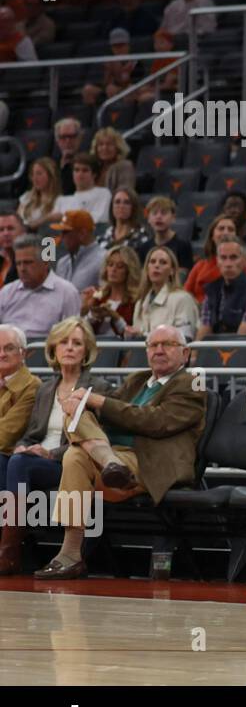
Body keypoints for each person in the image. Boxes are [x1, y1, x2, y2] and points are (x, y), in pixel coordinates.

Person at [38, 324, 206, 579]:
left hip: (150, 462)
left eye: (167, 344)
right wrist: (78, 404)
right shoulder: (137, 379)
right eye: (153, 345)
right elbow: (104, 414)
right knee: (75, 425)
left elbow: (156, 422)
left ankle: (70, 553)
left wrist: (98, 401)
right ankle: (110, 464)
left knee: (75, 452)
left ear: (185, 353)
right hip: (116, 462)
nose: (158, 350)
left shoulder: (193, 383)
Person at [0, 317, 105, 575]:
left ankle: (9, 550)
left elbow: (91, 437)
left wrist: (49, 452)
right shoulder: (46, 390)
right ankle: (12, 547)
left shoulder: (98, 388)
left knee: (18, 463)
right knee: (8, 459)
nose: (69, 348)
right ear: (54, 350)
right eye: (64, 342)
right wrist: (23, 446)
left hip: (68, 462)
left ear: (86, 351)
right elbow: (32, 432)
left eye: (77, 343)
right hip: (34, 459)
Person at [0, 234, 82, 335]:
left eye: (28, 262)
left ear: (45, 262)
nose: (22, 269)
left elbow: (74, 335)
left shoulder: (67, 293)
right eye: (18, 263)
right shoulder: (6, 292)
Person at [194, 240, 246, 340]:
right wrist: (194, 355)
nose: (228, 263)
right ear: (217, 261)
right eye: (223, 258)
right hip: (214, 352)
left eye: (233, 257)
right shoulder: (211, 292)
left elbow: (241, 343)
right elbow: (201, 340)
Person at [129, 246, 199, 340]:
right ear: (147, 269)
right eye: (152, 262)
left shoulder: (183, 299)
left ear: (172, 271)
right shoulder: (140, 303)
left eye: (163, 262)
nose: (156, 265)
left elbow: (185, 337)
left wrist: (144, 335)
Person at [82, 244, 140, 337]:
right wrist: (92, 315)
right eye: (110, 264)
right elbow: (83, 331)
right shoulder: (99, 297)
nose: (113, 269)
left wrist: (115, 317)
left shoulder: (135, 301)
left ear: (129, 270)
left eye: (120, 266)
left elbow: (134, 335)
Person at [0, 325, 39, 455]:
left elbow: (5, 435)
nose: (2, 354)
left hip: (6, 456)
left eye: (9, 348)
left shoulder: (32, 385)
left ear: (23, 353)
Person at [184, 216, 241, 301]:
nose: (226, 233)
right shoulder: (200, 266)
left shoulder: (241, 266)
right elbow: (185, 294)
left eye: (231, 229)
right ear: (212, 236)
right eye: (221, 228)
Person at [52, 210, 105, 292]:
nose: (62, 237)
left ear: (82, 233)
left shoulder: (104, 260)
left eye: (66, 232)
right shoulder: (62, 263)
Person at [137, 196, 193, 270]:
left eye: (164, 213)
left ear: (173, 217)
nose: (159, 217)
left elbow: (183, 276)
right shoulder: (144, 248)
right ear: (148, 219)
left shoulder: (183, 246)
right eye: (154, 213)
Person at [53, 155, 111, 225]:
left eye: (85, 170)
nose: (80, 174)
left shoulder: (103, 193)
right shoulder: (61, 200)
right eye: (76, 170)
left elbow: (100, 219)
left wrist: (66, 218)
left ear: (94, 174)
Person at [97, 188, 151, 254]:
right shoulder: (102, 238)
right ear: (112, 207)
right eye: (117, 202)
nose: (121, 206)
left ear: (134, 207)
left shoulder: (142, 238)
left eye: (126, 203)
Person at [18, 157, 61, 229]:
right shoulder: (27, 197)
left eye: (39, 174)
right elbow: (17, 221)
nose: (34, 178)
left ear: (51, 176)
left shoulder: (60, 200)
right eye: (33, 174)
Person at [91, 127, 136, 195]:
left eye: (109, 144)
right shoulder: (93, 166)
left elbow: (125, 194)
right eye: (100, 144)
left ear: (118, 147)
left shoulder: (125, 166)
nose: (104, 148)